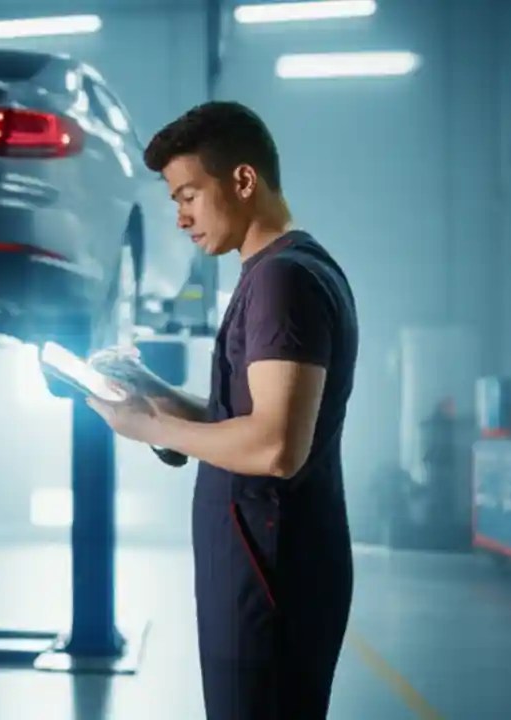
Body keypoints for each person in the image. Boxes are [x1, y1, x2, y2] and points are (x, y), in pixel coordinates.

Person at [87, 101, 358, 720]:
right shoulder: (280, 271)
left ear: (243, 179)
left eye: (189, 195)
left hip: (269, 571)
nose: (180, 217)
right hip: (264, 562)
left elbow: (275, 446)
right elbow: (242, 416)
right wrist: (151, 388)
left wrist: (146, 425)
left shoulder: (283, 282)